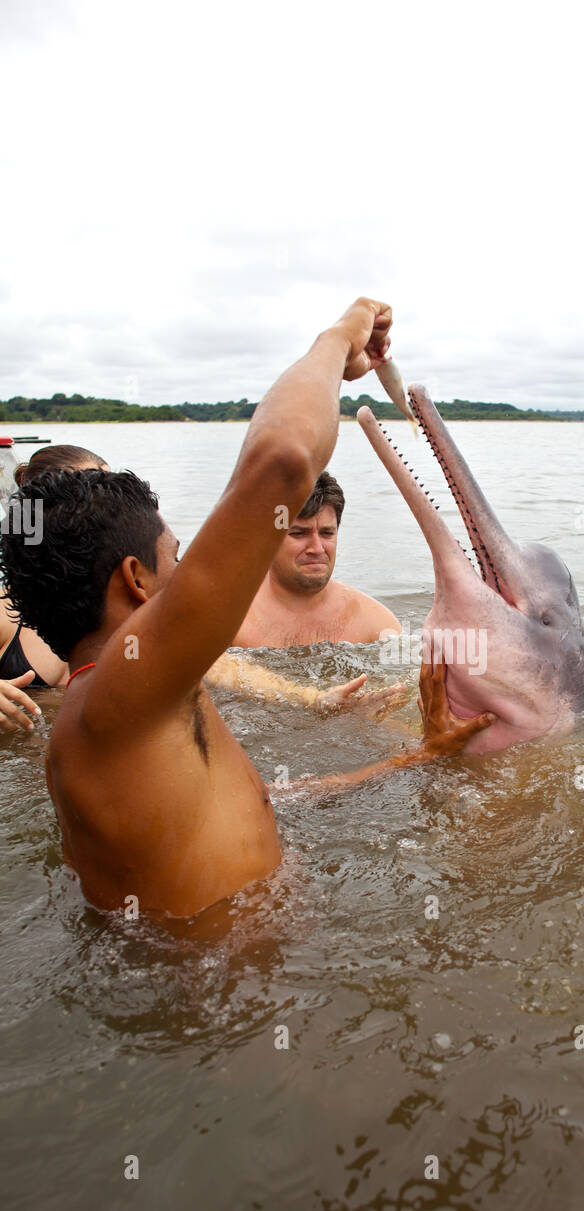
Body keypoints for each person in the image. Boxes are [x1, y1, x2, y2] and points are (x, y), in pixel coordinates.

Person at [0, 298, 494, 917]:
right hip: (233, 1007)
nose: (188, 575)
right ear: (137, 581)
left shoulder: (127, 707)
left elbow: (259, 800)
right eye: (174, 557)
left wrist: (417, 759)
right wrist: (340, 338)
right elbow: (283, 460)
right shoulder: (121, 697)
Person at [0, 447, 401, 733]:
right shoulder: (17, 609)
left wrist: (312, 700)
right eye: (97, 486)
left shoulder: (138, 625)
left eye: (327, 533)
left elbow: (217, 665)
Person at [233, 469, 399, 647]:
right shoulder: (230, 622)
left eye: (327, 533)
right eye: (298, 533)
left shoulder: (376, 625)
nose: (317, 548)